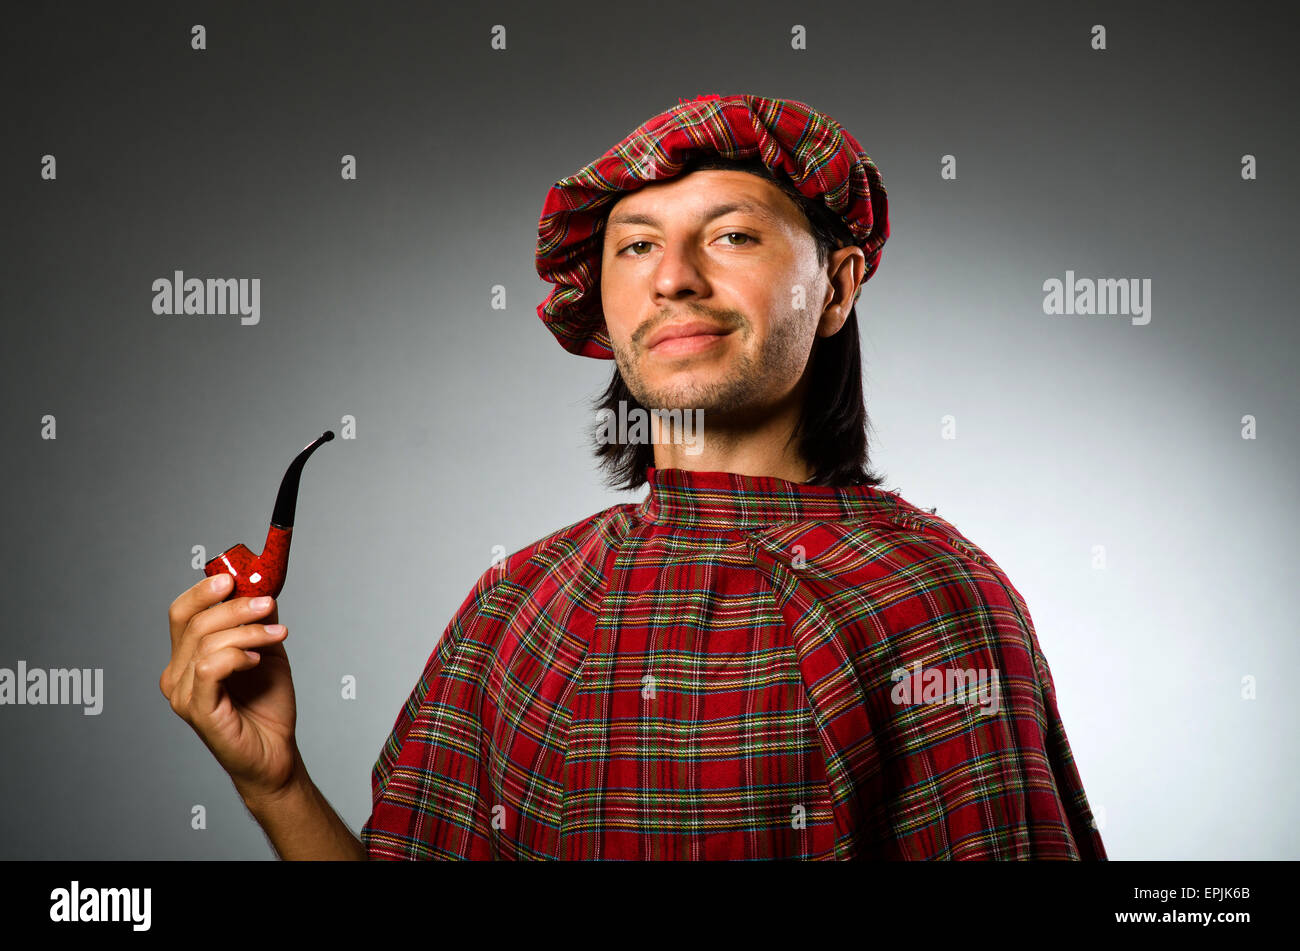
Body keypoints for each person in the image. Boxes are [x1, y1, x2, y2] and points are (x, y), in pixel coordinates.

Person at [161, 94, 1107, 860]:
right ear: (607, 310)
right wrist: (274, 782)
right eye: (637, 244)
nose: (674, 278)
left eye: (732, 235)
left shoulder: (933, 600)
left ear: (839, 286)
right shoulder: (518, 602)